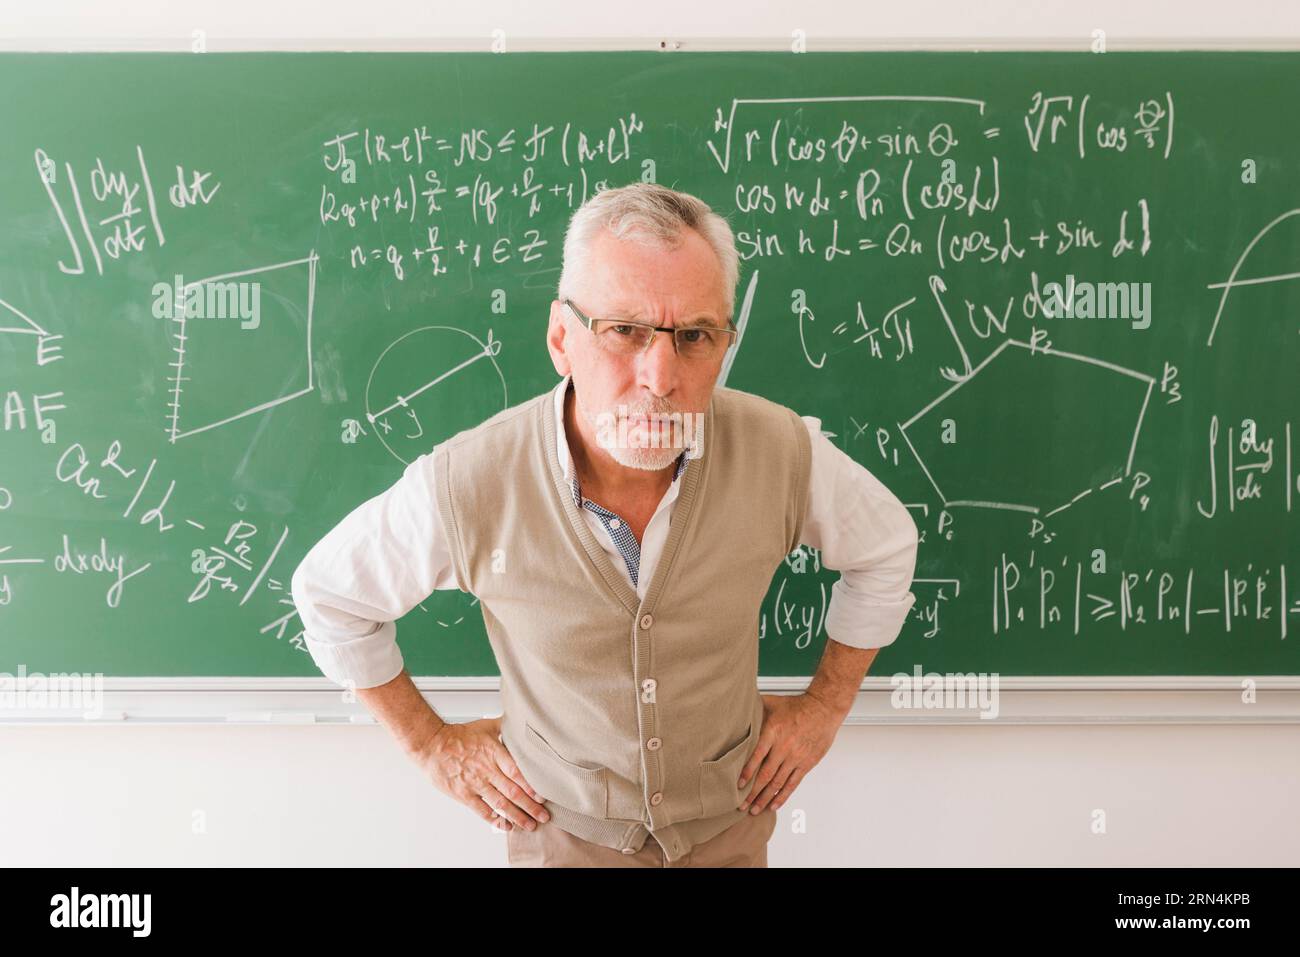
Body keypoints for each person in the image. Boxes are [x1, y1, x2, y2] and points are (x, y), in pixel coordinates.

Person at [290, 181, 919, 867]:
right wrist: (431, 746)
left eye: (695, 336)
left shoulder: (782, 450)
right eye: (624, 330)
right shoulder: (473, 478)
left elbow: (885, 549)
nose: (660, 374)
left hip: (730, 837)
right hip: (562, 842)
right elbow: (330, 598)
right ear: (563, 337)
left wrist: (825, 708)